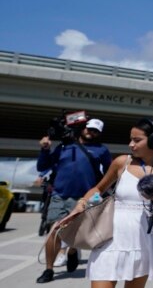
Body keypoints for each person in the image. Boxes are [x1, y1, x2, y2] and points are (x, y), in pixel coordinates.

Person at [73, 118, 153, 288]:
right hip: (112, 233)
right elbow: (98, 189)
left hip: (145, 237)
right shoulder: (121, 162)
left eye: (137, 140)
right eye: (131, 139)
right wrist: (81, 203)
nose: (131, 144)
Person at [36, 116, 113, 283]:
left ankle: (72, 251)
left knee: (77, 233)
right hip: (59, 195)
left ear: (99, 134)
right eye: (89, 128)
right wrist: (45, 149)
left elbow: (110, 175)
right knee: (54, 232)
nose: (91, 132)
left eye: (95, 131)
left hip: (83, 198)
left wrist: (102, 193)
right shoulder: (64, 146)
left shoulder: (102, 150)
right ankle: (49, 270)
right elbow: (43, 167)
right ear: (83, 128)